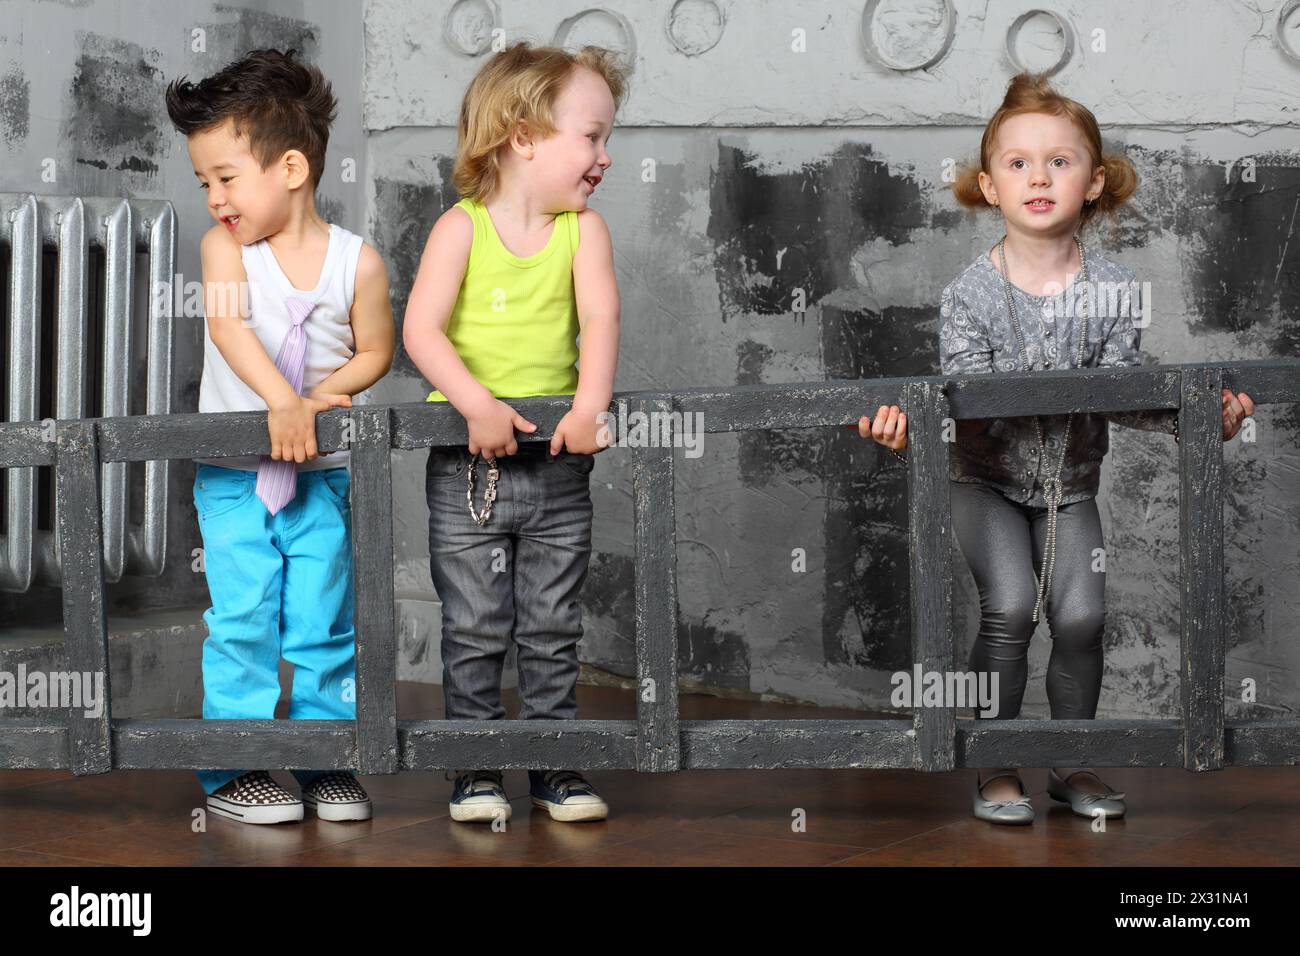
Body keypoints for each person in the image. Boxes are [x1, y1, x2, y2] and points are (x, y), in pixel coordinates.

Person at [862, 72, 1254, 825]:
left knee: (1080, 618)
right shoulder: (970, 293)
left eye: (1060, 161)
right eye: (1017, 163)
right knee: (1009, 607)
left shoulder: (1111, 284)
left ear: (1095, 181)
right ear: (989, 184)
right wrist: (918, 428)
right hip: (985, 483)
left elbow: (1125, 388)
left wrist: (1203, 420)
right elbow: (967, 406)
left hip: (1069, 487)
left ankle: (1071, 761)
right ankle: (995, 762)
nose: (1038, 176)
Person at [166, 48, 395, 825]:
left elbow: (376, 349)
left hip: (321, 475)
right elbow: (228, 328)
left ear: (291, 167)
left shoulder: (356, 263)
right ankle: (234, 768)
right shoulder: (224, 250)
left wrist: (328, 395)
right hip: (235, 475)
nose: (214, 199)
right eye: (205, 183)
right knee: (243, 619)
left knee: (324, 619)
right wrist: (282, 402)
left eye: (225, 178)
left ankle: (325, 760)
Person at [402, 42, 626, 823]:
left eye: (607, 139)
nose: (605, 157)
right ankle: (474, 771)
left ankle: (555, 767)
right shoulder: (460, 229)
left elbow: (599, 316)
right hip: (471, 468)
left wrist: (591, 400)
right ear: (521, 133)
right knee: (473, 626)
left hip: (559, 466)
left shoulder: (582, 233)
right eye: (592, 136)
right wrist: (474, 403)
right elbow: (422, 330)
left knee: (553, 625)